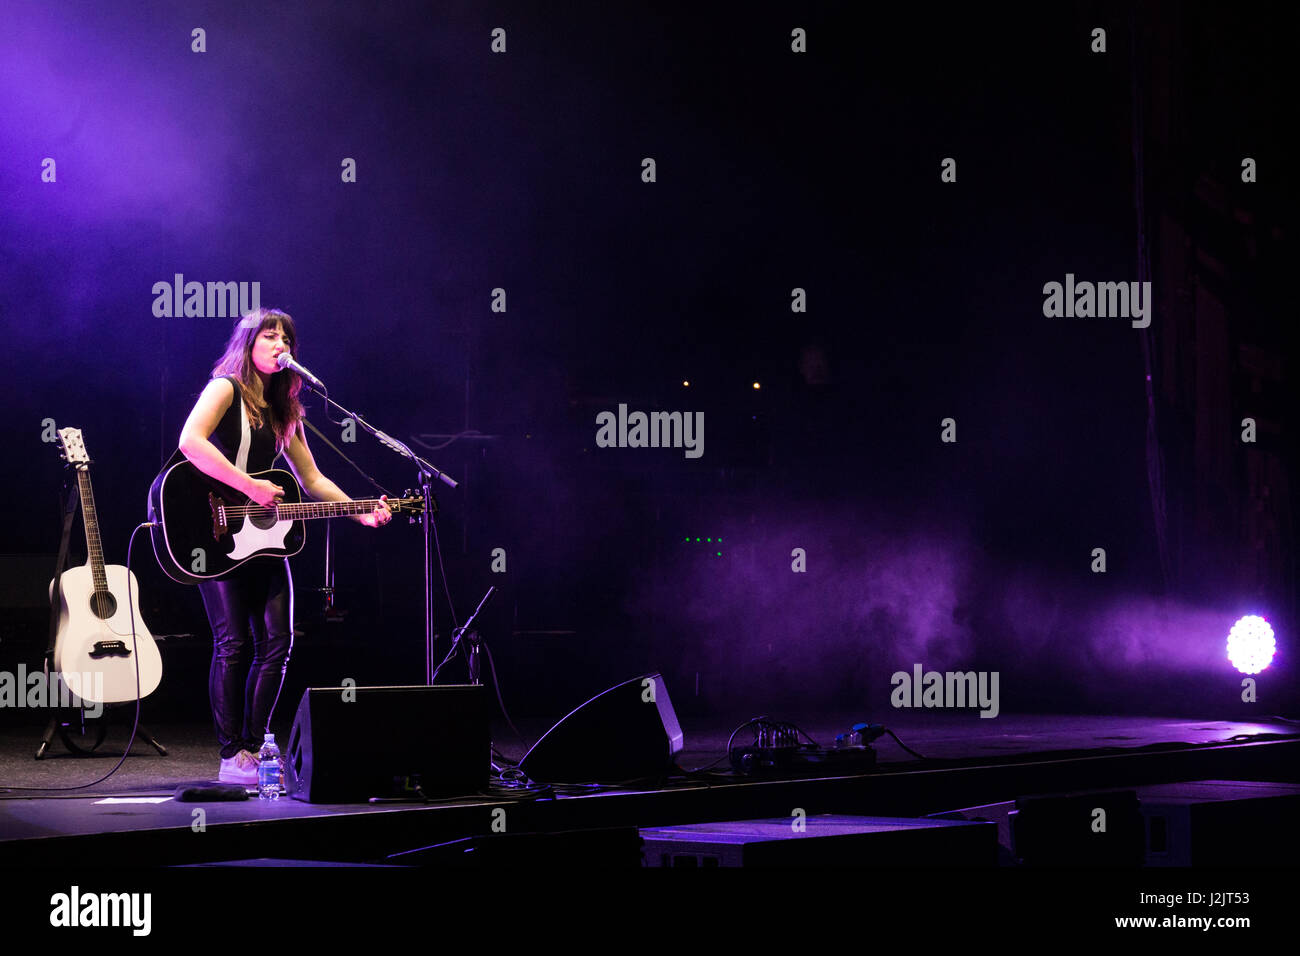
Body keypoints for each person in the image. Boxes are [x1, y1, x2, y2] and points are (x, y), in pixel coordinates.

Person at [177, 308, 392, 784]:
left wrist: (358, 509)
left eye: (286, 339)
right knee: (233, 643)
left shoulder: (285, 411)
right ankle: (230, 753)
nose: (280, 345)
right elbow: (191, 441)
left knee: (279, 641)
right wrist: (251, 488)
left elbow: (312, 478)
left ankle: (255, 746)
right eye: (270, 336)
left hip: (265, 541)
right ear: (249, 343)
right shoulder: (224, 388)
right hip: (215, 531)